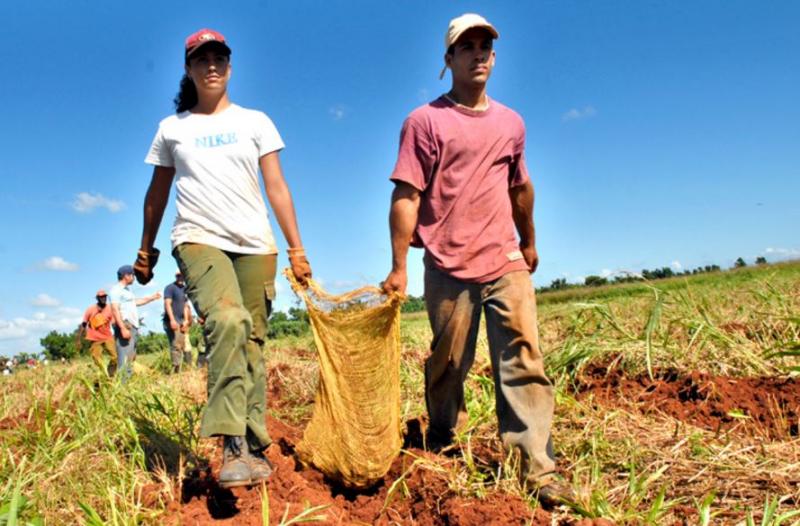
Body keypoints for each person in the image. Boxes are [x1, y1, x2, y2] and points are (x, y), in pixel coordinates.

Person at [381, 14, 574, 507]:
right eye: (467, 46)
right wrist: (400, 266)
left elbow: (520, 187)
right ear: (448, 59)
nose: (479, 53)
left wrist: (528, 241)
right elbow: (406, 195)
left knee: (523, 357)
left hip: (504, 258)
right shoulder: (424, 122)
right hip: (446, 264)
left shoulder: (511, 123)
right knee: (448, 363)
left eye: (486, 45)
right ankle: (444, 436)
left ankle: (537, 466)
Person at [135, 28, 312, 488]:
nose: (211, 65)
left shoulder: (256, 121)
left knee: (252, 341)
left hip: (256, 244)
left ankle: (254, 445)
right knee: (229, 321)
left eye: (219, 58)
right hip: (198, 236)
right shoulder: (173, 129)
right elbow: (157, 193)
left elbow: (277, 186)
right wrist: (145, 248)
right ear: (189, 69)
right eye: (201, 59)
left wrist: (296, 247)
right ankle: (231, 442)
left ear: (229, 66)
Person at [110, 265, 161, 380]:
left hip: (132, 325)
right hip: (125, 325)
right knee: (124, 358)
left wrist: (152, 298)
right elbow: (115, 309)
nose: (134, 277)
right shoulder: (116, 290)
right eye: (132, 275)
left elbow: (136, 302)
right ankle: (122, 388)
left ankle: (126, 385)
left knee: (130, 358)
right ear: (126, 276)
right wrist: (122, 328)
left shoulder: (127, 291)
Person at [78, 289, 118, 377]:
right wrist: (78, 340)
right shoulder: (90, 309)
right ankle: (103, 373)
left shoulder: (110, 309)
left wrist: (119, 333)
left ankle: (110, 373)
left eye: (105, 296)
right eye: (101, 297)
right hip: (95, 338)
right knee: (96, 359)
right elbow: (84, 324)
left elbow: (113, 323)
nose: (103, 298)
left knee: (115, 357)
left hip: (107, 336)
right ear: (97, 298)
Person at [163, 271, 193, 373]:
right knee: (176, 345)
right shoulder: (170, 288)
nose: (180, 277)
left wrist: (185, 320)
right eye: (178, 276)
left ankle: (182, 370)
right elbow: (167, 304)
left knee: (183, 345)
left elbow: (185, 306)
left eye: (182, 275)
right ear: (176, 276)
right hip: (171, 321)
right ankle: (176, 371)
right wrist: (172, 320)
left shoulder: (184, 289)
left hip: (180, 321)